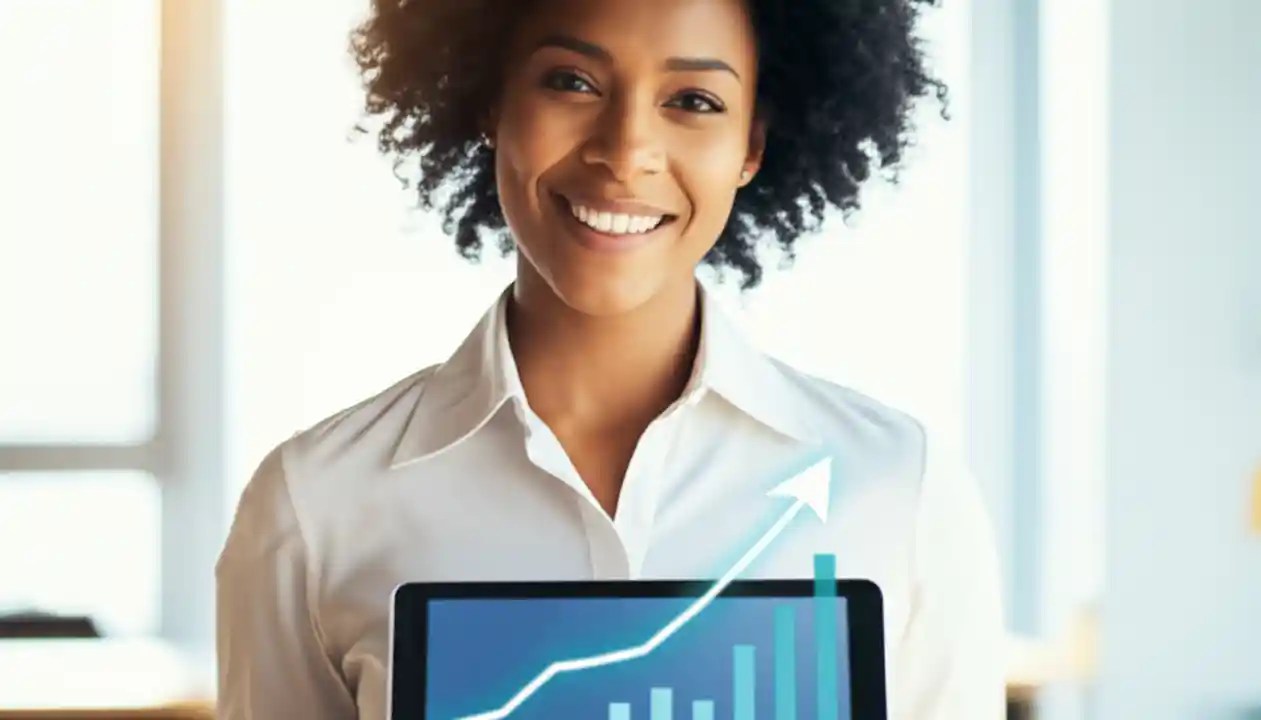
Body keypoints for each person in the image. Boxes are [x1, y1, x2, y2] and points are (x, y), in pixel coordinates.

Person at [215, 0, 1005, 717]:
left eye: (694, 101)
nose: (626, 153)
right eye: (572, 82)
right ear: (491, 102)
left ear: (751, 145)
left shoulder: (901, 492)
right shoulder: (314, 508)